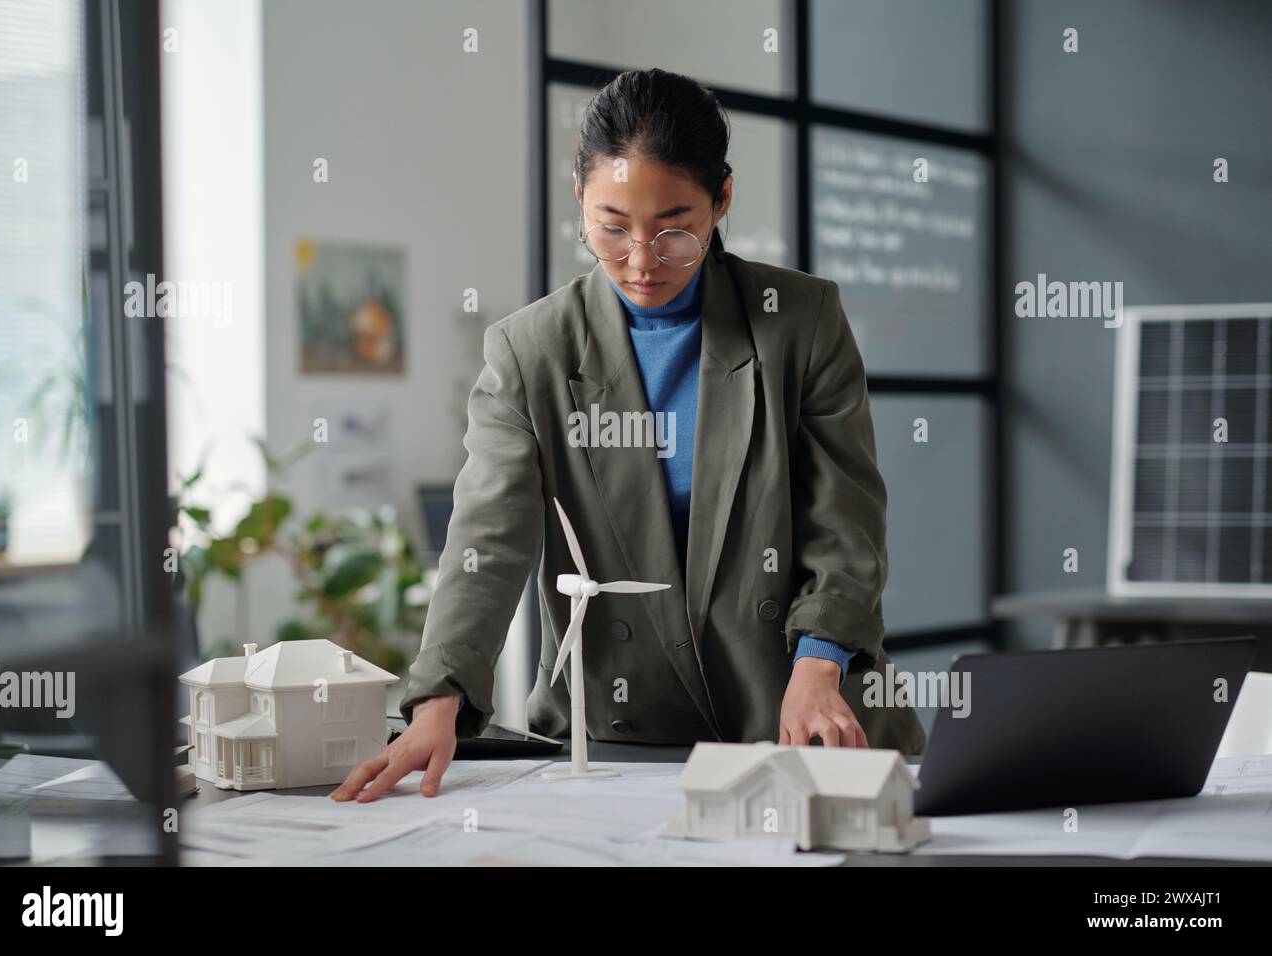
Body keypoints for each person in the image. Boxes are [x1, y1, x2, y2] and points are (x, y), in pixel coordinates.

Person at [332, 68, 925, 804]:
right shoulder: (532, 352)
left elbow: (847, 524)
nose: (642, 262)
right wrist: (437, 699)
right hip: (619, 733)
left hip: (799, 711)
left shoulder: (799, 321)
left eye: (675, 228)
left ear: (723, 201)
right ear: (578, 196)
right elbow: (487, 541)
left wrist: (819, 664)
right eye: (612, 227)